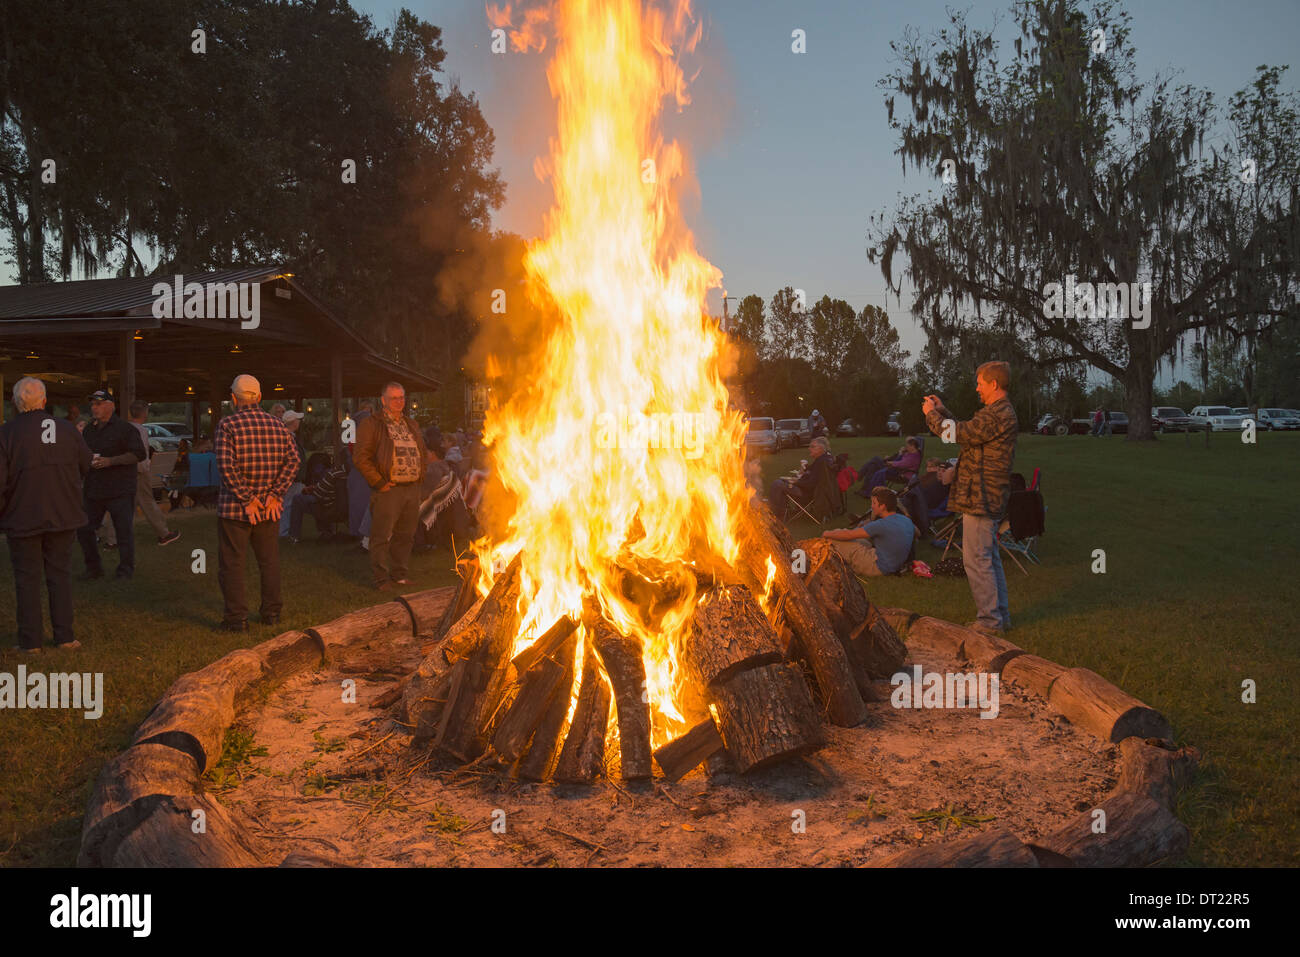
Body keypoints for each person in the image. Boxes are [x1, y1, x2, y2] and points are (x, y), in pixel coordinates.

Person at [923, 360, 1018, 634]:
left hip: (981, 496)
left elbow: (958, 434)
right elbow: (972, 433)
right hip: (985, 495)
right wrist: (944, 411)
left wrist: (932, 415)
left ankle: (990, 622)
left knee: (976, 560)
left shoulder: (998, 414)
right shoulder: (997, 413)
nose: (976, 388)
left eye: (979, 383)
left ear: (994, 384)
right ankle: (1000, 617)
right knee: (988, 558)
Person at [0, 378, 92, 651]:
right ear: (44, 400)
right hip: (63, 513)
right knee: (59, 576)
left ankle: (31, 642)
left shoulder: (6, 433)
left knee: (27, 579)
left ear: (17, 404)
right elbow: (86, 464)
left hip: (22, 516)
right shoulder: (67, 429)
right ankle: (65, 636)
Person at [214, 374, 301, 630]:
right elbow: (294, 461)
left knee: (232, 564)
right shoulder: (277, 425)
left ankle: (236, 619)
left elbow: (226, 467)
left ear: (233, 398)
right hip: (269, 508)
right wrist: (275, 494)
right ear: (260, 397)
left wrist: (247, 499)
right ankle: (271, 613)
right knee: (269, 562)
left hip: (235, 509)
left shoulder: (227, 425)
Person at [354, 381, 428, 590]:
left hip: (411, 488)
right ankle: (381, 578)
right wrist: (379, 482)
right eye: (394, 398)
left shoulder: (411, 424)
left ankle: (400, 575)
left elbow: (421, 451)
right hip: (389, 489)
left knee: (406, 535)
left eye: (402, 397)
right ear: (383, 400)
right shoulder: (372, 424)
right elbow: (361, 457)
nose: (399, 402)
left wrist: (420, 476)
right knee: (382, 536)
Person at [76, 388, 146, 580]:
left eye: (98, 404)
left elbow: (139, 454)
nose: (94, 407)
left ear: (110, 406)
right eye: (92, 404)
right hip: (94, 488)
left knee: (123, 532)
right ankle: (94, 568)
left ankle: (125, 570)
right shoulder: (89, 429)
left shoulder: (125, 429)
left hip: (120, 489)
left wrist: (111, 461)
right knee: (84, 528)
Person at [822, 486, 916, 576]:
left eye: (874, 503)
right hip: (892, 562)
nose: (872, 506)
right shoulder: (905, 520)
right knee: (844, 534)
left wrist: (826, 533)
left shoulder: (882, 524)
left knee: (834, 540)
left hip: (877, 566)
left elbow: (850, 535)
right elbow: (917, 533)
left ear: (882, 506)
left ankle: (818, 555)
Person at [126, 400, 181, 547]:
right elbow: (142, 453)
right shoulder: (141, 430)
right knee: (148, 503)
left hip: (126, 471)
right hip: (139, 471)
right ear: (144, 413)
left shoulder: (125, 428)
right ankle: (164, 534)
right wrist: (145, 469)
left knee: (125, 505)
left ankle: (114, 538)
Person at [767, 435, 832, 521]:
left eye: (813, 447)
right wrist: (802, 473)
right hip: (811, 491)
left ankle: (776, 514)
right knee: (781, 482)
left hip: (807, 493)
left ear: (821, 449)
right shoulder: (825, 459)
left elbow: (811, 484)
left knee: (777, 484)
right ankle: (782, 513)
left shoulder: (821, 462)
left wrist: (795, 482)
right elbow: (811, 471)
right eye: (810, 446)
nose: (809, 449)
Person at [287, 456, 346, 543]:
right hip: (345, 509)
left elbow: (318, 494)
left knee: (298, 499)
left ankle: (294, 536)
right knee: (320, 500)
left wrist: (309, 490)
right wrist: (316, 488)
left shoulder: (332, 474)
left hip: (330, 509)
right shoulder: (350, 474)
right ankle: (327, 532)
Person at [898, 457, 954, 539]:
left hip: (926, 506)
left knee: (911, 493)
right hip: (920, 503)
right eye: (939, 470)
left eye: (944, 471)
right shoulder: (936, 482)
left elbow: (931, 500)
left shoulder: (944, 486)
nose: (940, 473)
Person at [345, 400, 375, 541]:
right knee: (359, 503)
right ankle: (359, 533)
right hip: (360, 471)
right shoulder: (356, 433)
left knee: (363, 503)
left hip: (364, 472)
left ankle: (362, 533)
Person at [856, 437, 922, 495]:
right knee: (872, 467)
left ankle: (859, 475)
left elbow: (902, 464)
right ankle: (865, 489)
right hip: (894, 468)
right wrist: (899, 454)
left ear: (912, 446)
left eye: (907, 446)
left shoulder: (914, 457)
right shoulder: (911, 453)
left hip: (898, 472)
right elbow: (899, 459)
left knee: (876, 459)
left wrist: (891, 462)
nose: (906, 447)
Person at [278, 410, 308, 537]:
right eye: (297, 420)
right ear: (293, 422)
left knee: (288, 504)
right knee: (288, 505)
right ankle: (284, 532)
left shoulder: (285, 437)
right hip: (292, 479)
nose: (299, 422)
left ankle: (287, 531)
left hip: (291, 478)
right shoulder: (288, 438)